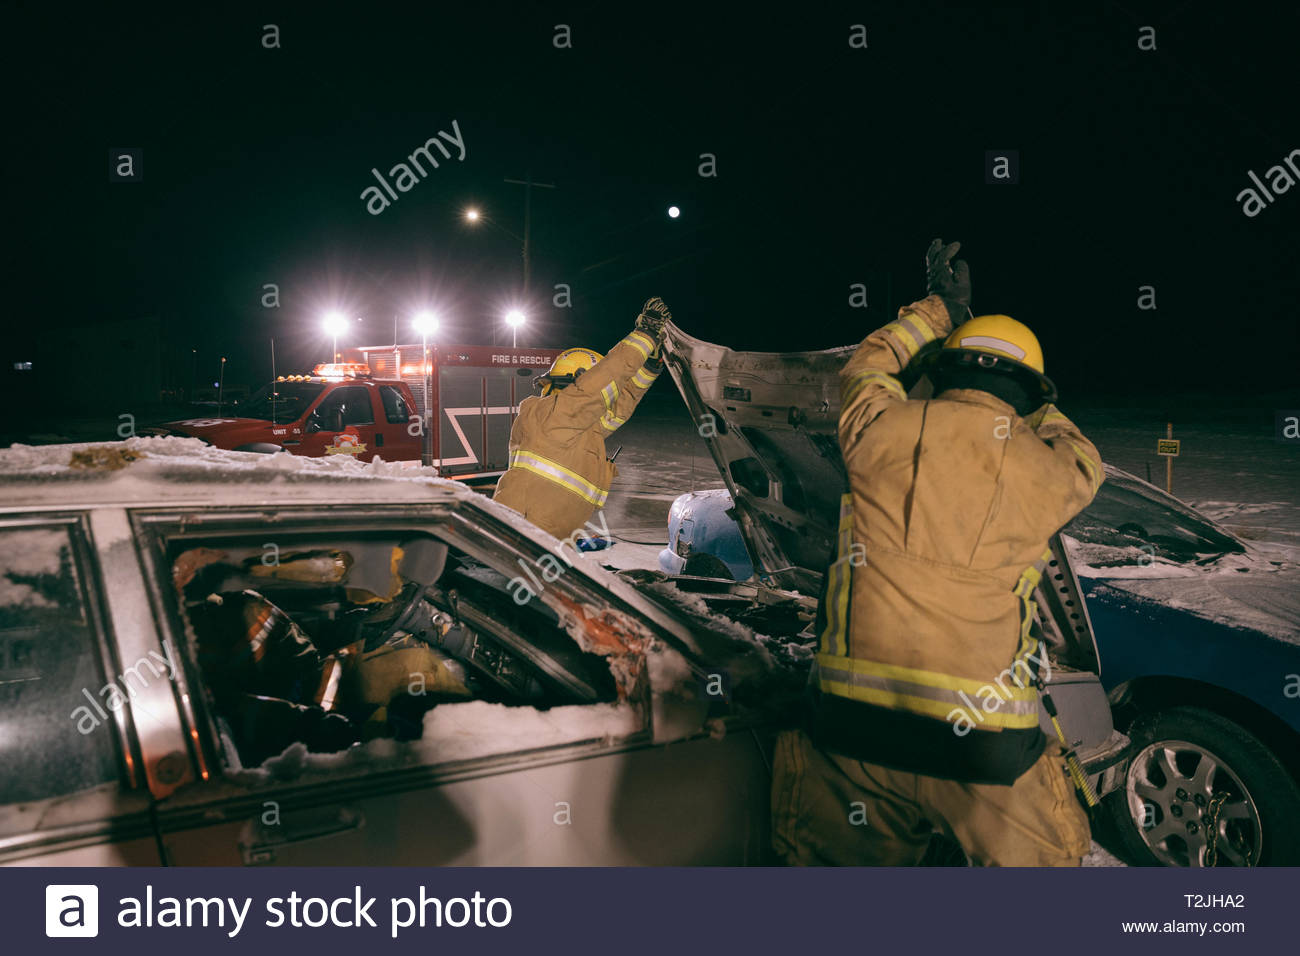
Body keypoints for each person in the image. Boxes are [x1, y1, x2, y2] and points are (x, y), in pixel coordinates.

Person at [771, 239, 1105, 866]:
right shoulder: (1052, 472)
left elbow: (871, 365)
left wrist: (943, 307)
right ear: (1027, 396)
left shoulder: (877, 428)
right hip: (985, 749)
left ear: (944, 370)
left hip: (852, 731)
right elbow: (1083, 454)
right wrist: (1037, 405)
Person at [493, 297, 670, 540]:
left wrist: (649, 366)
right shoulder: (548, 416)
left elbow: (620, 405)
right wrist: (646, 334)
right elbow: (605, 379)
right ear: (576, 381)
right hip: (523, 537)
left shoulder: (576, 424)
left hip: (549, 539)